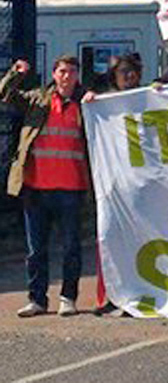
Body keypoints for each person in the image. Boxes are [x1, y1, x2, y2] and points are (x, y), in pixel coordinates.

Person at [0, 56, 89, 318]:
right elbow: (5, 93)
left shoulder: (85, 105)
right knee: (36, 248)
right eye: (62, 71)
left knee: (71, 246)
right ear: (54, 73)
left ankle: (68, 297)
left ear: (77, 76)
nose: (66, 77)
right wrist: (16, 73)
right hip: (35, 188)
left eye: (72, 72)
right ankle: (37, 299)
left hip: (71, 188)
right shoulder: (38, 100)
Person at [87, 53, 143, 317]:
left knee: (138, 240)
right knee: (108, 239)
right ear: (114, 77)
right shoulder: (104, 102)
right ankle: (109, 296)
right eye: (124, 73)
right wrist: (88, 99)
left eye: (133, 72)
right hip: (111, 186)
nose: (129, 77)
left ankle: (137, 293)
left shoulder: (147, 97)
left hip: (140, 186)